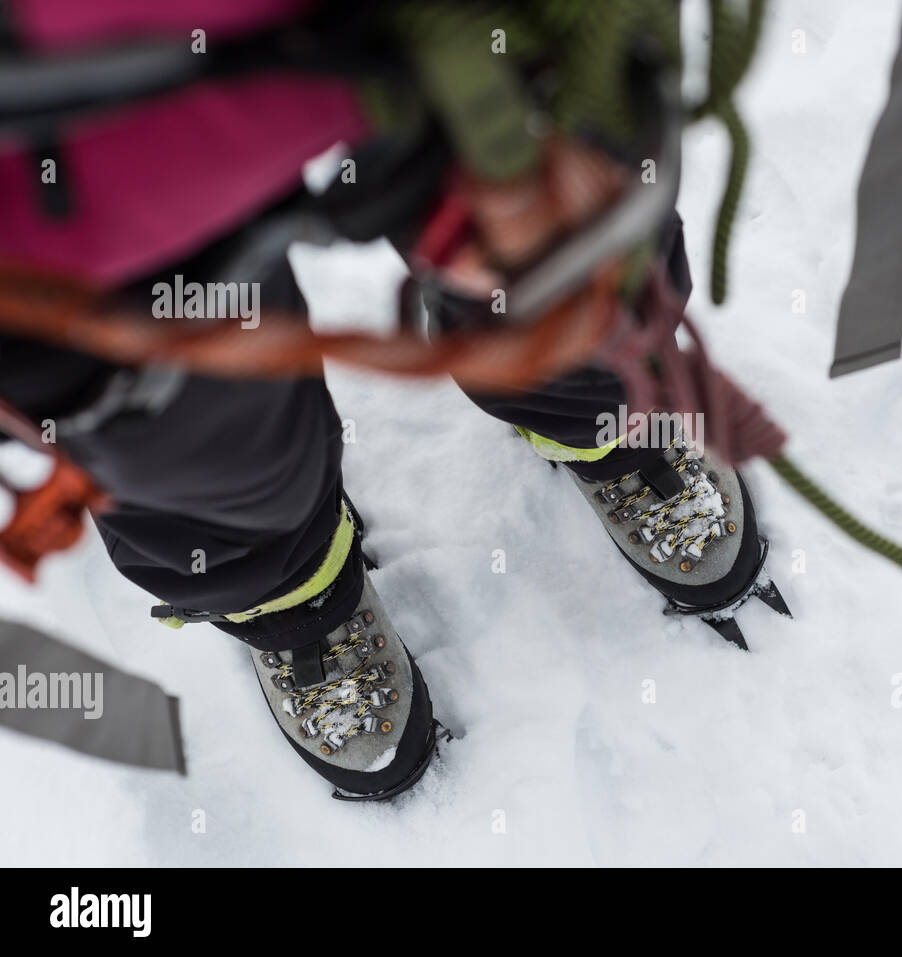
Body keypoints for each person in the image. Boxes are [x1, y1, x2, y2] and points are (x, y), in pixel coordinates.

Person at [0, 0, 776, 799]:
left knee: (561, 219)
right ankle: (279, 587)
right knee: (174, 401)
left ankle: (605, 415)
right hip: (60, 109)